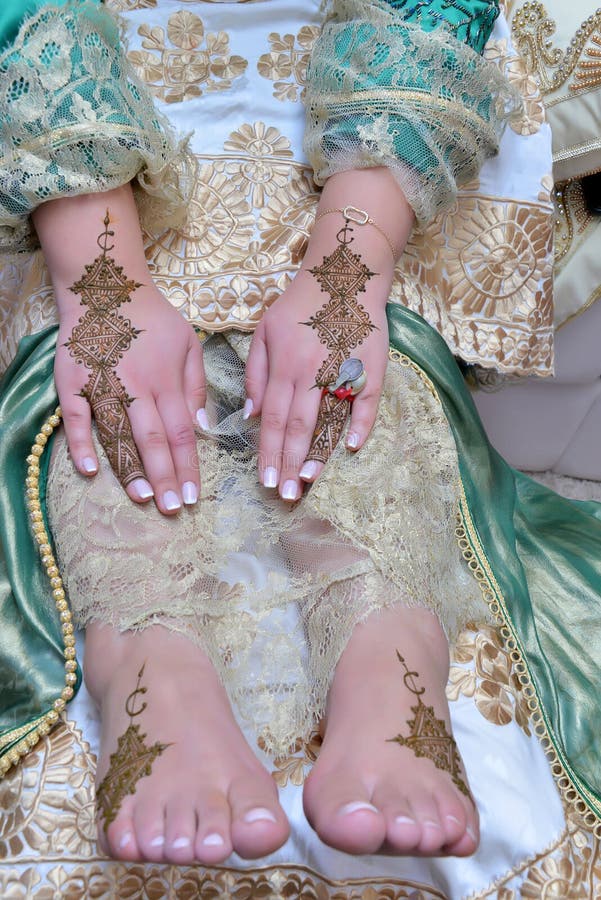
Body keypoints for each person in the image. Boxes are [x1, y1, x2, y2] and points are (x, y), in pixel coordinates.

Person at [1, 0, 600, 871]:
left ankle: (391, 656)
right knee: (114, 405)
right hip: (64, 159)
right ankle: (149, 664)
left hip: (368, 161)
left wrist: (347, 271)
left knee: (353, 389)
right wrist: (99, 286)